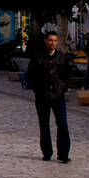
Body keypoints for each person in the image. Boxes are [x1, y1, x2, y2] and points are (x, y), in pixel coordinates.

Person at [26, 30, 71, 163]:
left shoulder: (62, 58)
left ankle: (63, 154)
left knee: (62, 124)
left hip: (58, 96)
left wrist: (62, 87)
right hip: (42, 96)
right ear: (46, 41)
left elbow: (67, 75)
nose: (52, 43)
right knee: (44, 125)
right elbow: (31, 75)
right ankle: (47, 152)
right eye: (50, 40)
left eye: (55, 41)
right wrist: (37, 90)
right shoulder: (37, 57)